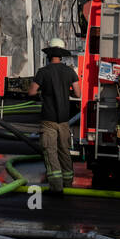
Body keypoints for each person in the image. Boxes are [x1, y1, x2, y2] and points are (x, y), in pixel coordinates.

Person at [28, 38, 80, 194]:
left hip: (48, 119)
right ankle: (68, 183)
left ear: (49, 55)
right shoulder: (70, 71)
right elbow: (78, 93)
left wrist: (39, 92)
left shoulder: (43, 72)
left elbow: (31, 91)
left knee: (50, 151)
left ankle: (56, 187)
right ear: (62, 56)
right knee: (64, 150)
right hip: (64, 120)